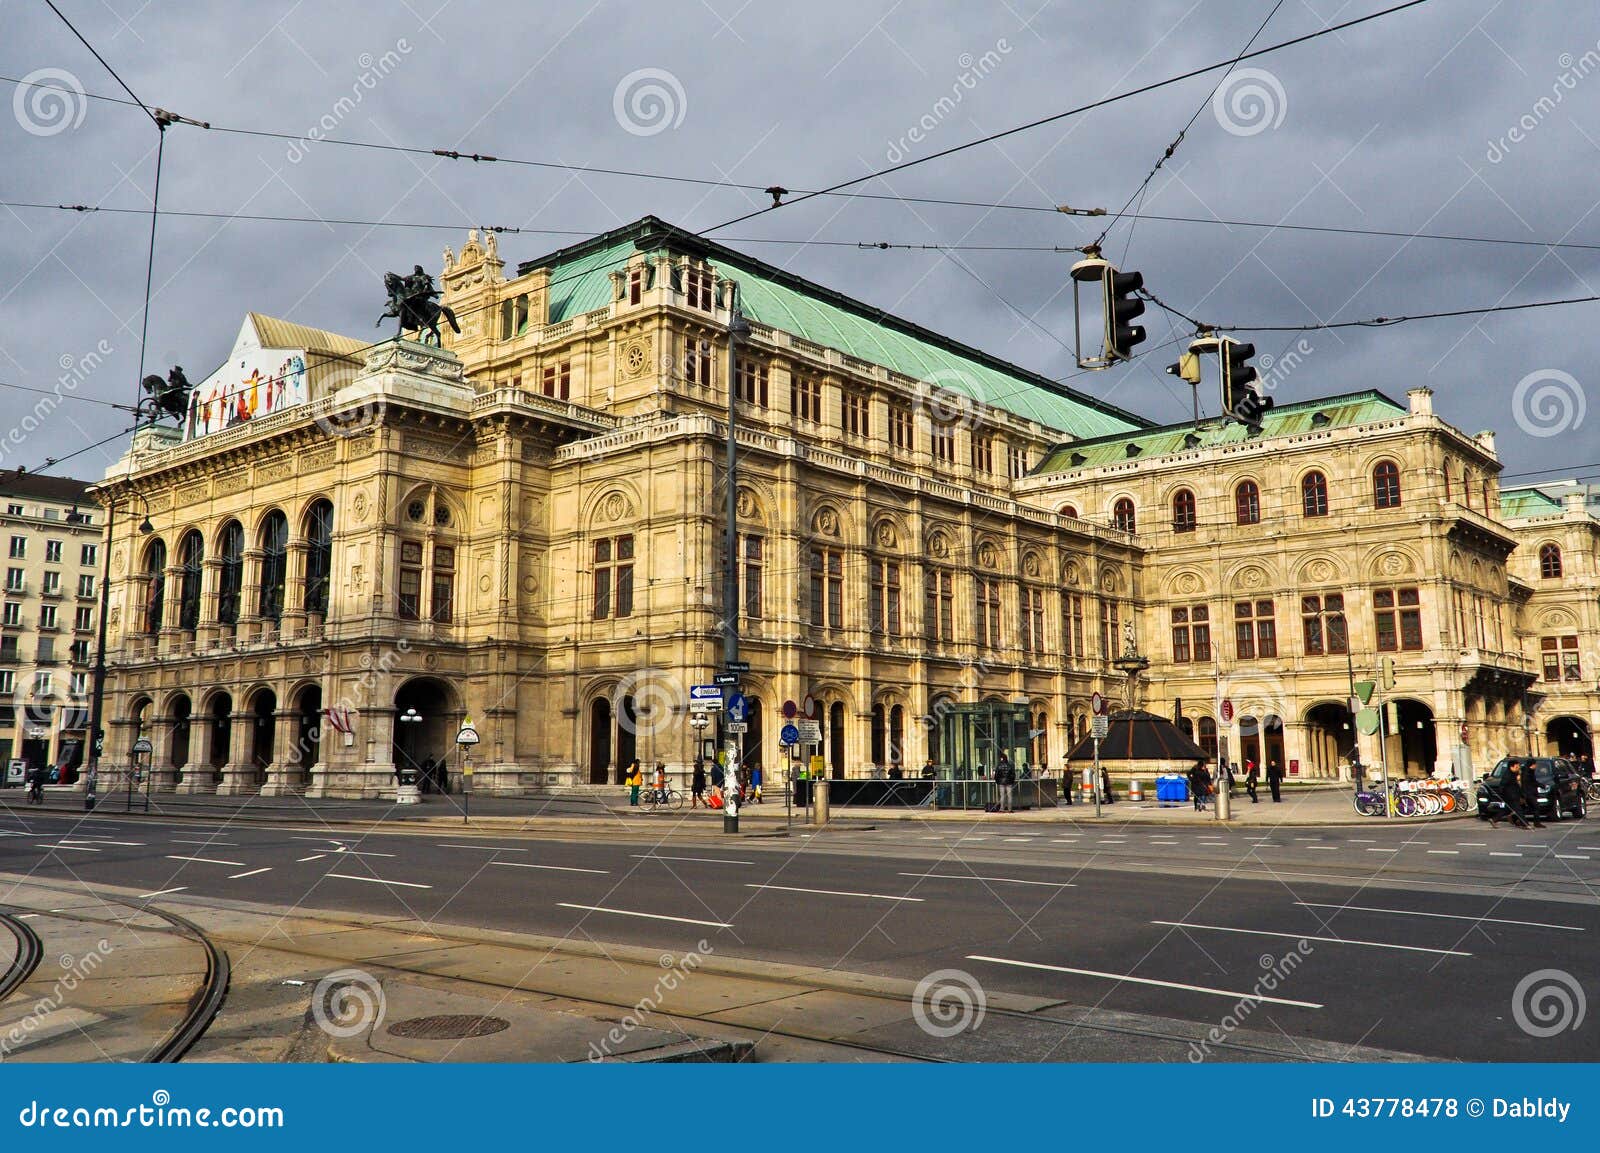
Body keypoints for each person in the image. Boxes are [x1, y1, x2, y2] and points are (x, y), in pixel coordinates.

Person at [1519, 759, 1547, 828]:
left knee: (1528, 808)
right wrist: (1541, 785)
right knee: (1536, 806)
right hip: (1529, 793)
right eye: (1535, 764)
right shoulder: (1527, 773)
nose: (1536, 766)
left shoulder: (1529, 772)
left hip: (1530, 792)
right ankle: (1536, 823)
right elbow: (1530, 783)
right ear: (1532, 765)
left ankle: (1517, 819)